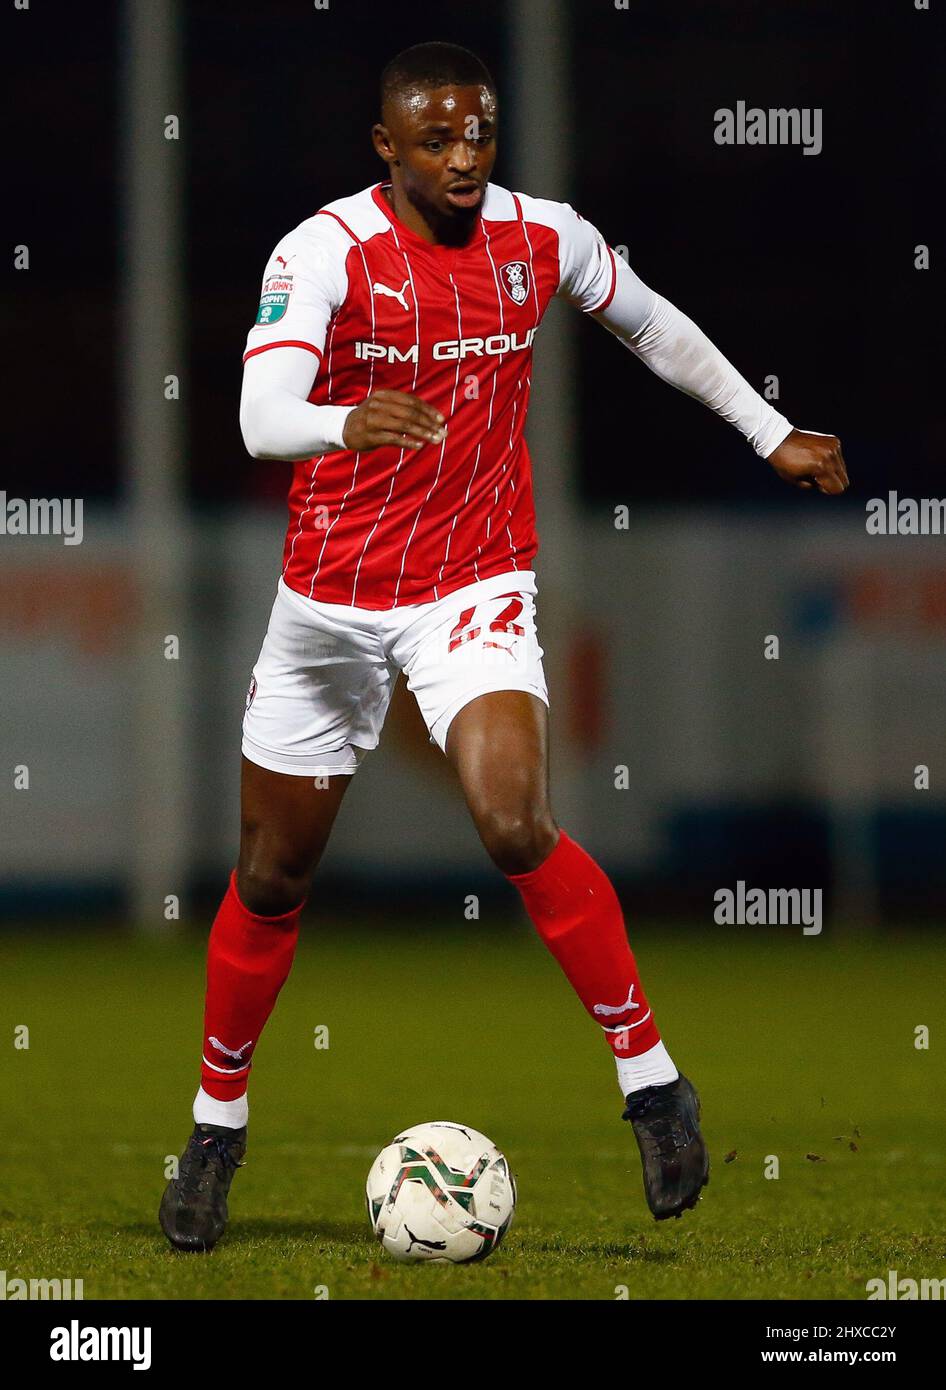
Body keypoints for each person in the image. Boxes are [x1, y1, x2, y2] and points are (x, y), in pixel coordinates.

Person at [159, 40, 848, 1252]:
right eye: (436, 138)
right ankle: (217, 1126)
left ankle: (651, 1082)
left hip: (472, 583)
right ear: (387, 147)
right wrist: (342, 419)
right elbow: (262, 415)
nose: (465, 156)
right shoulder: (322, 251)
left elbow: (654, 326)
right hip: (326, 602)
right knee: (272, 875)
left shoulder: (544, 237)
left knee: (514, 817)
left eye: (479, 132)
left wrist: (767, 428)